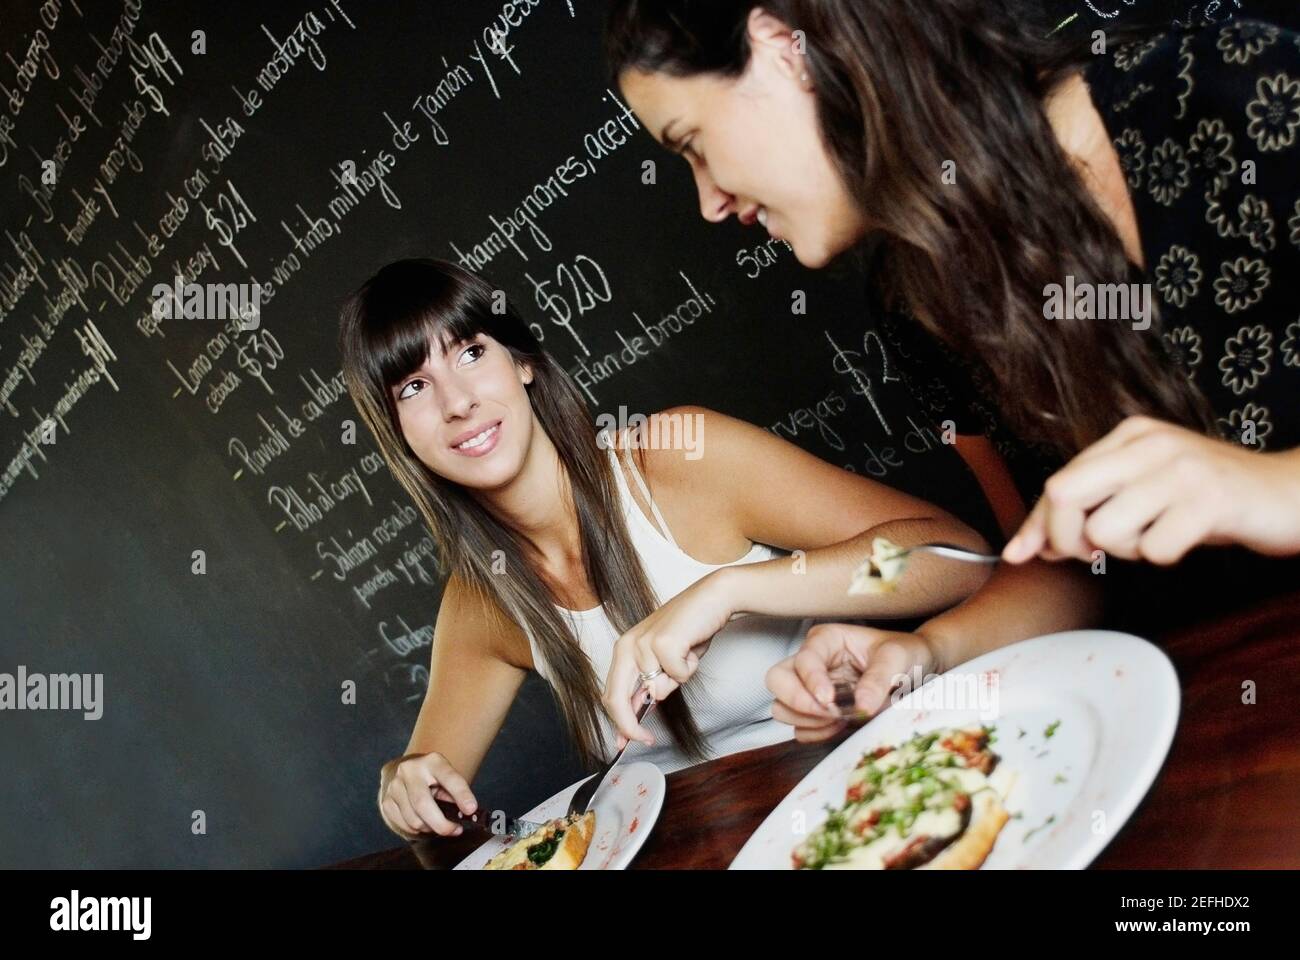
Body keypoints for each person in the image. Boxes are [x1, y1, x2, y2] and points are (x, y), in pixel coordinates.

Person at [602, 0, 1300, 742]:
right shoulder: (916, 298)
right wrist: (927, 651)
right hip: (1208, 731)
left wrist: (1263, 486)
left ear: (784, 48)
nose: (707, 201)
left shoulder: (1218, 91)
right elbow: (1062, 561)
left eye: (693, 144)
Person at [338, 258, 993, 839]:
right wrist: (402, 781)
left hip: (862, 807)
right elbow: (429, 806)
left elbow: (952, 556)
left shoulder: (679, 455)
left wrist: (730, 591)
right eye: (413, 388)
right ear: (399, 433)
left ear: (523, 361)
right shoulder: (482, 600)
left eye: (471, 353)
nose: (457, 402)